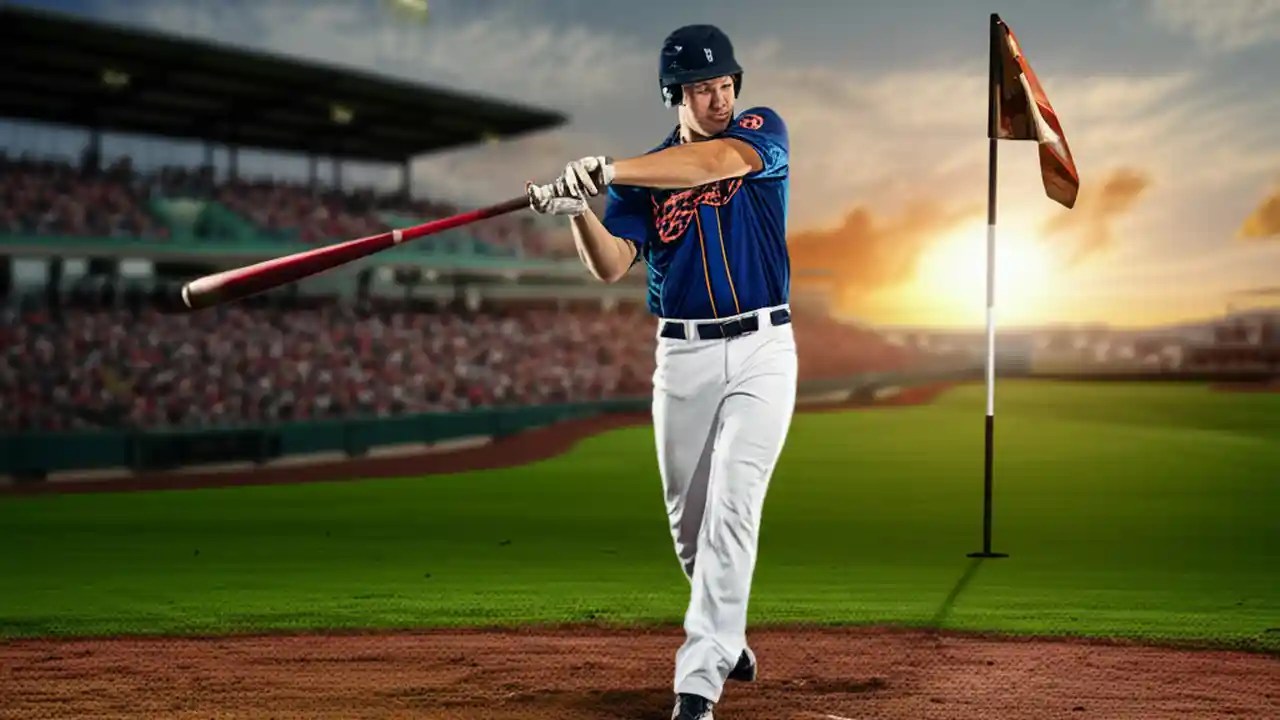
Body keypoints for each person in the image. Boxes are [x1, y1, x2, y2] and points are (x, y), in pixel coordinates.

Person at [527, 23, 797, 720]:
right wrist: (580, 210)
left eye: (726, 84)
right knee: (691, 525)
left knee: (735, 507)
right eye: (704, 88)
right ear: (674, 94)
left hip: (765, 348)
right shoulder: (642, 176)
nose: (719, 98)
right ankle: (726, 632)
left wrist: (610, 167)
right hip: (683, 354)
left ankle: (697, 684)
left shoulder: (760, 132)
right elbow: (611, 265)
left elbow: (711, 167)